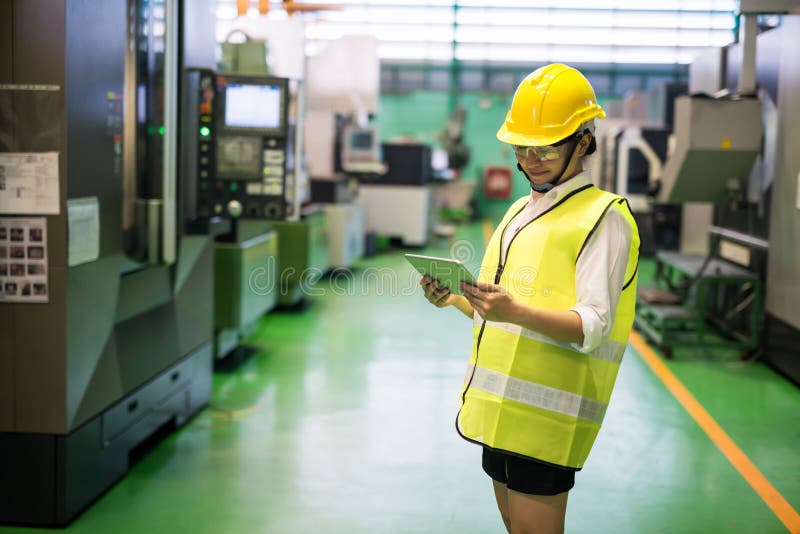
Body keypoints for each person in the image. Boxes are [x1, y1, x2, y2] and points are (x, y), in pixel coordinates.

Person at [420, 63, 640, 534]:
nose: (532, 158)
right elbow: (499, 311)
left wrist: (514, 311)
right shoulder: (521, 210)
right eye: (522, 146)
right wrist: (453, 298)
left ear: (583, 142)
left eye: (547, 146)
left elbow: (593, 325)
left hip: (547, 425)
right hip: (501, 413)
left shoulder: (603, 219)